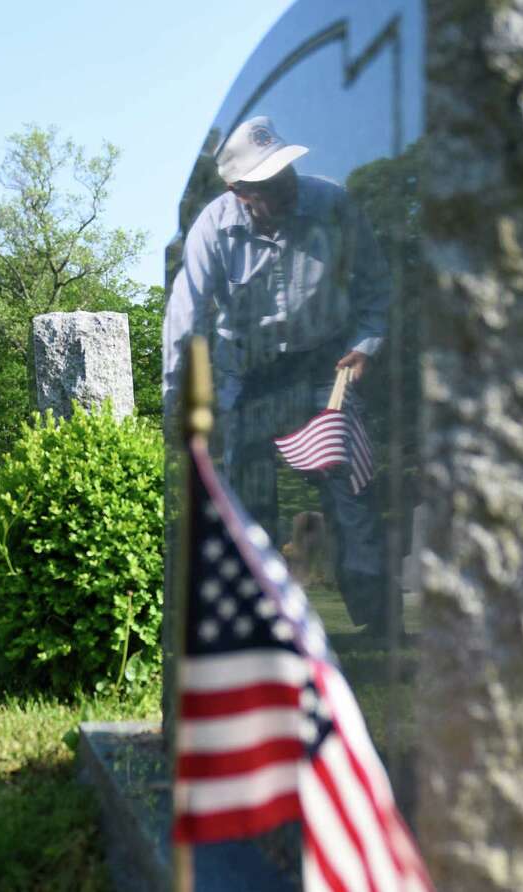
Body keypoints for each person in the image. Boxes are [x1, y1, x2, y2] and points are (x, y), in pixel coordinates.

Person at [163, 115, 392, 634]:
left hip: (325, 365)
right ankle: (260, 628)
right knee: (248, 501)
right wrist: (181, 407)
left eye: (286, 171)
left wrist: (365, 346)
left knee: (352, 496)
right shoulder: (213, 230)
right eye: (269, 182)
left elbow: (377, 288)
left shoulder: (334, 205)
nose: (286, 186)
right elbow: (185, 320)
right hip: (248, 375)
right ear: (240, 192)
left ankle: (380, 627)